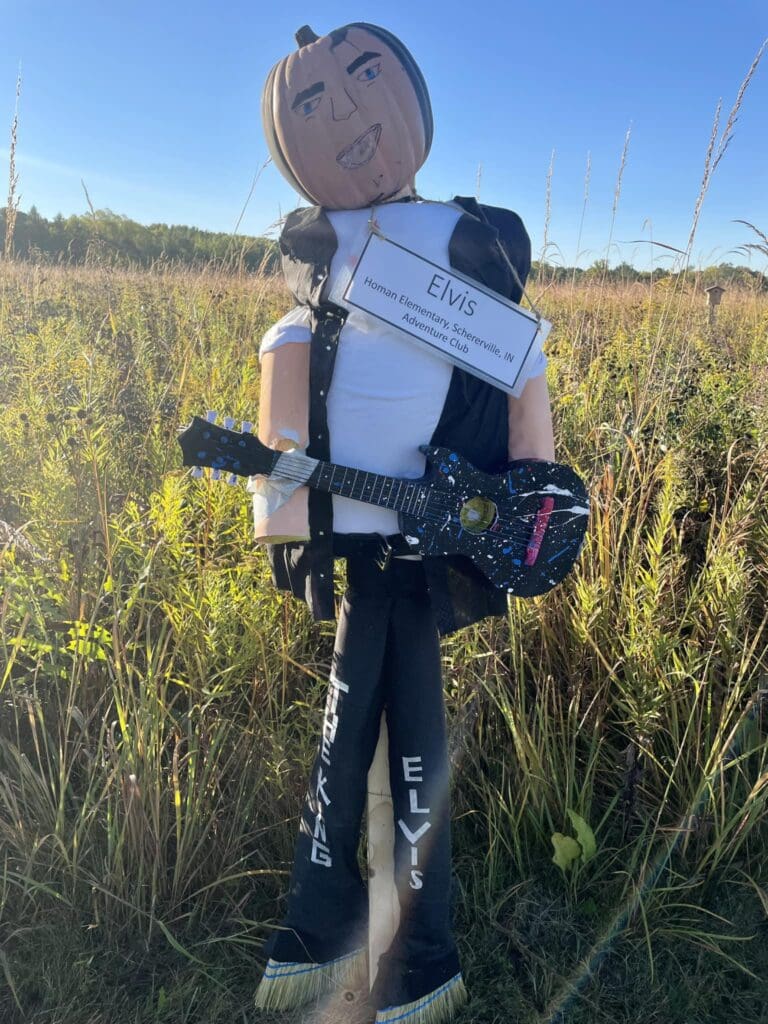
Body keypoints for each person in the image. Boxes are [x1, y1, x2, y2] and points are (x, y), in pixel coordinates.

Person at [250, 23, 554, 1024]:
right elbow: (291, 349)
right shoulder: (312, 253)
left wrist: (537, 489)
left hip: (436, 534)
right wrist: (285, 513)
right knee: (345, 735)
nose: (342, 108)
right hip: (356, 542)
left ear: (410, 91)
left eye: (363, 73)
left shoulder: (475, 237)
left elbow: (518, 364)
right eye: (311, 101)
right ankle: (320, 928)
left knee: (414, 739)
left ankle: (423, 954)